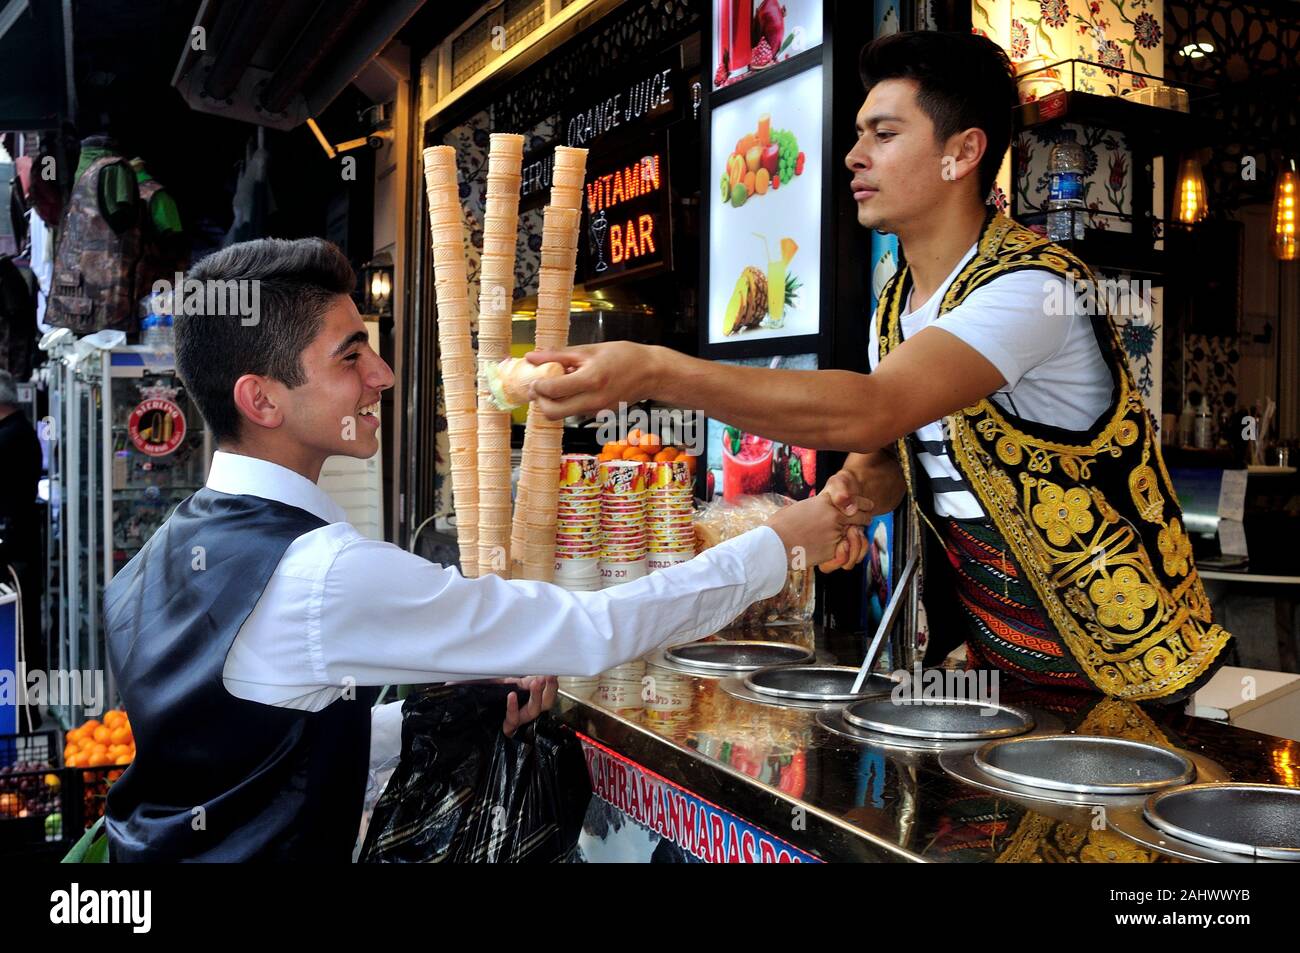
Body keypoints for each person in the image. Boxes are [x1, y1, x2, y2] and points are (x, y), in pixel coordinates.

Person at [526, 31, 1232, 703]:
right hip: (1001, 658)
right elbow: (893, 451)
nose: (854, 157)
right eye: (859, 134)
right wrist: (854, 490)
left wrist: (656, 372)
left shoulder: (1032, 288)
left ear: (963, 153)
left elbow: (874, 409)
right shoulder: (895, 306)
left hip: (1126, 661)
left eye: (884, 134)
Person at [102, 237, 859, 862]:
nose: (382, 375)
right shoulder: (320, 573)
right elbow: (590, 629)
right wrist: (776, 543)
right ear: (261, 398)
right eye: (350, 357)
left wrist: (445, 713)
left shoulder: (151, 562)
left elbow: (255, 755)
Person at [0, 369, 43, 729]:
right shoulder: (17, 431)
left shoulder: (11, 436)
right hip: (18, 546)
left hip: (14, 551)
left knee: (19, 634)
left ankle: (24, 715)